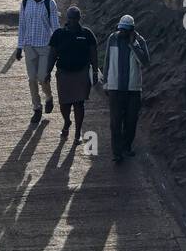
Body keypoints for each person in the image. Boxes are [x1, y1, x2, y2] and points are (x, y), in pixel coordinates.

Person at [103, 13, 150, 164]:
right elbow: (107, 61)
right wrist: (105, 82)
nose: (122, 32)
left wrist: (133, 44)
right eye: (120, 29)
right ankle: (117, 152)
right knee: (115, 122)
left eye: (125, 30)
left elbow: (145, 62)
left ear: (132, 30)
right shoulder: (113, 39)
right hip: (115, 87)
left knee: (131, 120)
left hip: (133, 88)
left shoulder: (139, 41)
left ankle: (127, 146)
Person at [48, 8, 99, 143]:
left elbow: (94, 54)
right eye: (70, 18)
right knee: (64, 104)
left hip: (81, 72)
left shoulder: (87, 34)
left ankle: (77, 133)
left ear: (79, 18)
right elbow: (52, 55)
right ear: (67, 18)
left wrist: (95, 72)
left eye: (75, 19)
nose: (72, 21)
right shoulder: (58, 34)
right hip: (64, 73)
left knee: (79, 103)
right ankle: (67, 122)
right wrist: (47, 72)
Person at [16, 0, 60, 125]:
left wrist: (58, 46)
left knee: (43, 77)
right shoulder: (25, 2)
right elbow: (22, 25)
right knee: (31, 79)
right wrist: (19, 47)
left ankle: (49, 97)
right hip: (29, 46)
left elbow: (55, 26)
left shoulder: (49, 3)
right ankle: (37, 108)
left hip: (45, 46)